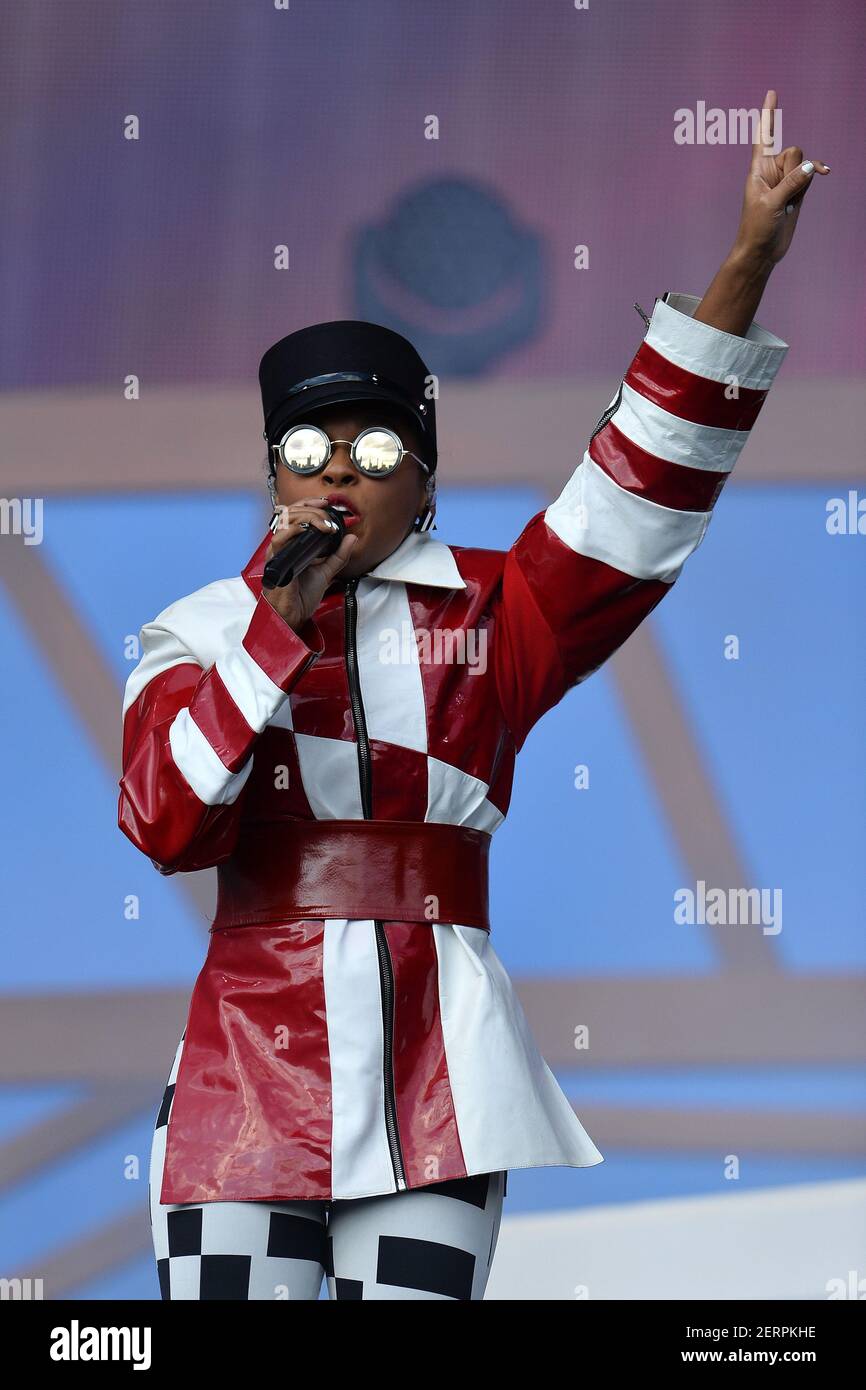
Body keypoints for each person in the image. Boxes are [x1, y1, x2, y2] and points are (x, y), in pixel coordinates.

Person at [118, 93, 826, 1300]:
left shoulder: (497, 615)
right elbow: (167, 824)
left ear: (424, 479)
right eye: (309, 447)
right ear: (273, 471)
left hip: (437, 1075)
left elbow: (634, 499)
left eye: (376, 448)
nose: (340, 471)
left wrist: (744, 264)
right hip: (244, 1074)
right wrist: (272, 633)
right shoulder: (196, 631)